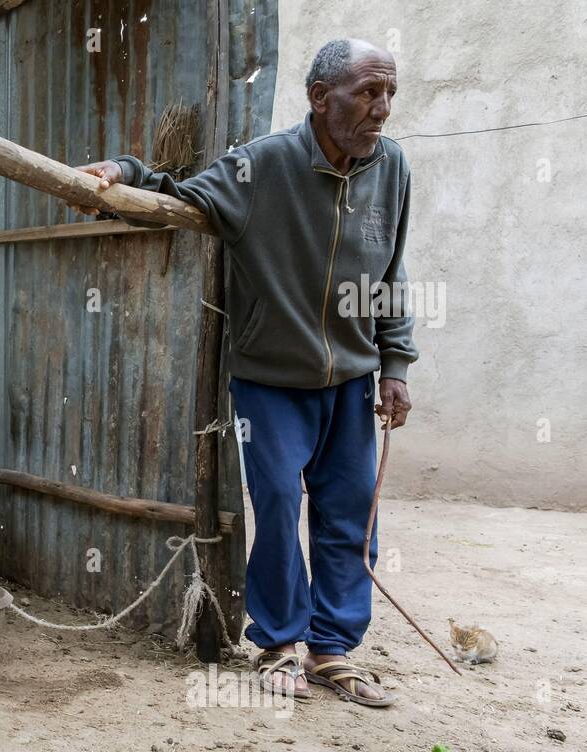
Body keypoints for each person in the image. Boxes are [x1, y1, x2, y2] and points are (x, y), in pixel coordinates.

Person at [77, 38, 416, 706]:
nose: (382, 109)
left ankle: (333, 650)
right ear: (321, 98)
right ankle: (279, 645)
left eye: (389, 94)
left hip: (350, 379)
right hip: (270, 381)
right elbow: (178, 195)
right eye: (368, 93)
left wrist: (395, 365)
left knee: (351, 514)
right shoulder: (264, 166)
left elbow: (393, 274)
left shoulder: (393, 168)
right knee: (280, 505)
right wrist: (120, 172)